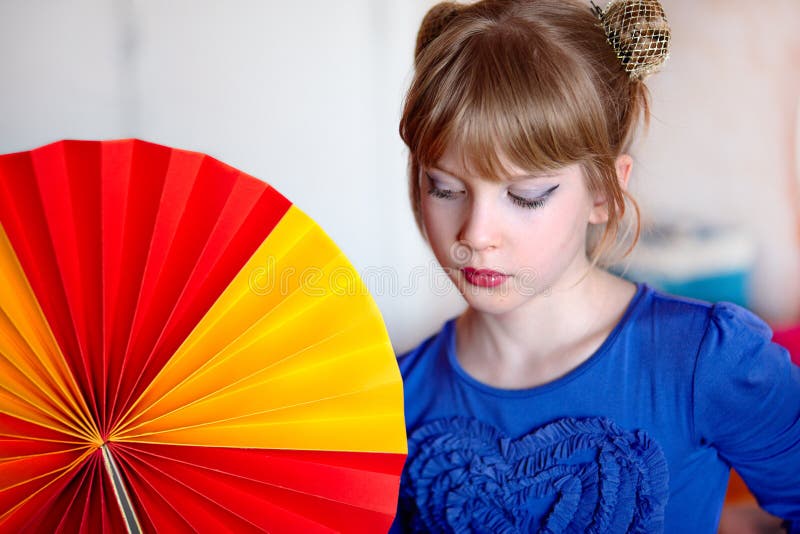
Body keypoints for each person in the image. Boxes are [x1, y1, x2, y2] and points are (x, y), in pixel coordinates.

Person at [390, 0, 800, 532]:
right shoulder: (394, 399)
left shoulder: (705, 363)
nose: (475, 234)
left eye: (527, 195)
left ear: (605, 191)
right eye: (444, 188)